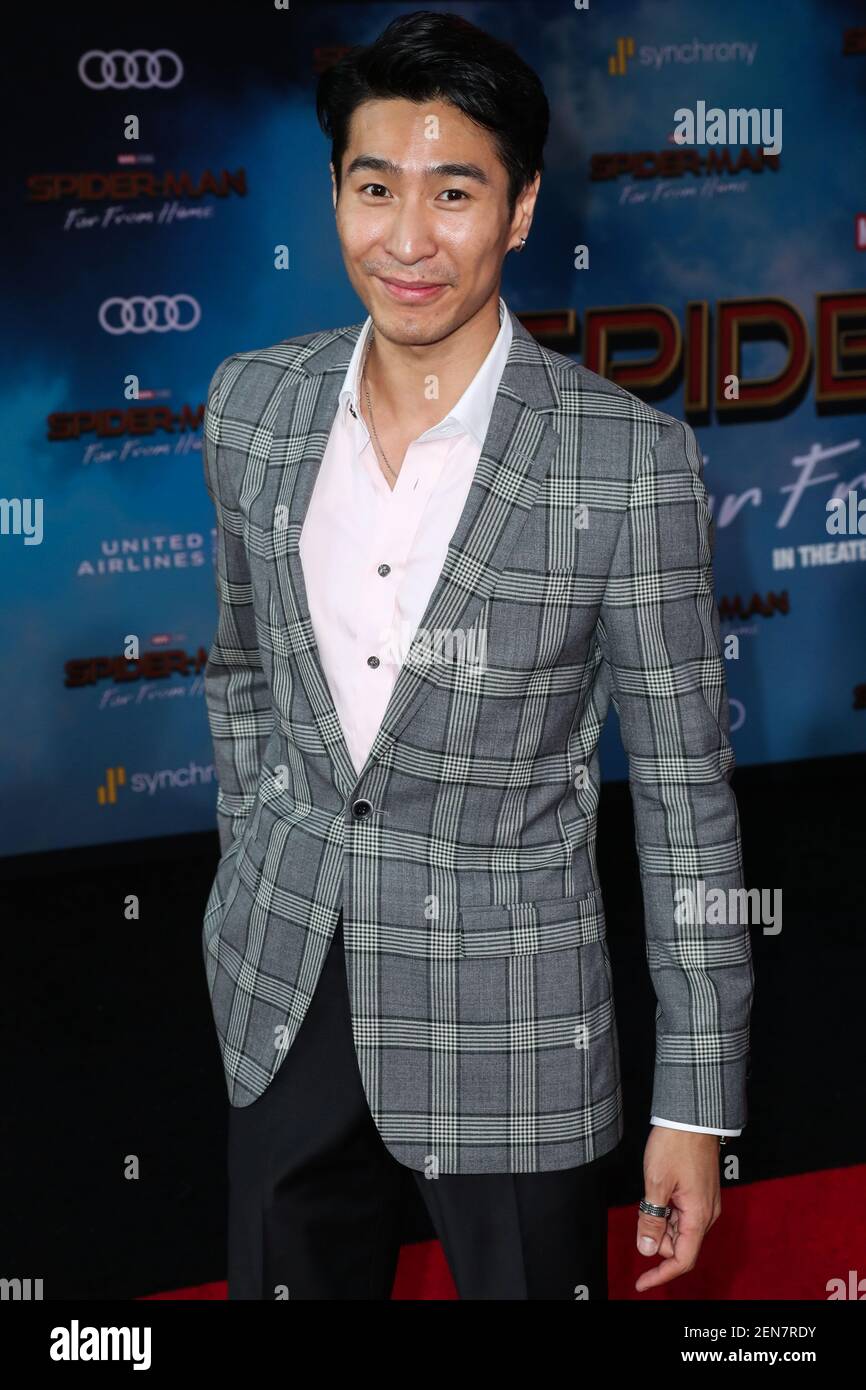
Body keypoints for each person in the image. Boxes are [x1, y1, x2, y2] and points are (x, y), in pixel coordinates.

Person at [201, 10, 754, 1301]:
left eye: (452, 192)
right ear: (332, 192)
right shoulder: (250, 407)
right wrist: (253, 872)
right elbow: (238, 676)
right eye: (372, 186)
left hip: (514, 1019)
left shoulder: (627, 463)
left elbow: (685, 805)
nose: (405, 238)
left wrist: (697, 1101)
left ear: (515, 212)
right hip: (284, 994)